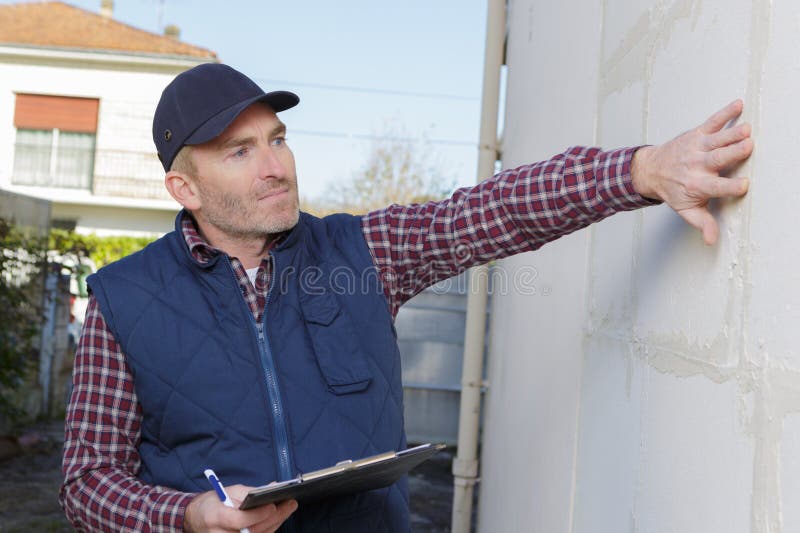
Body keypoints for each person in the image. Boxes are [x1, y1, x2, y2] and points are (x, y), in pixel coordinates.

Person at [59, 62, 753, 532]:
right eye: (239, 151)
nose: (276, 166)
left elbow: (491, 211)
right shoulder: (124, 299)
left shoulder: (360, 252)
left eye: (277, 139)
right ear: (185, 188)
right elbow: (86, 481)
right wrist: (188, 514)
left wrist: (639, 171)